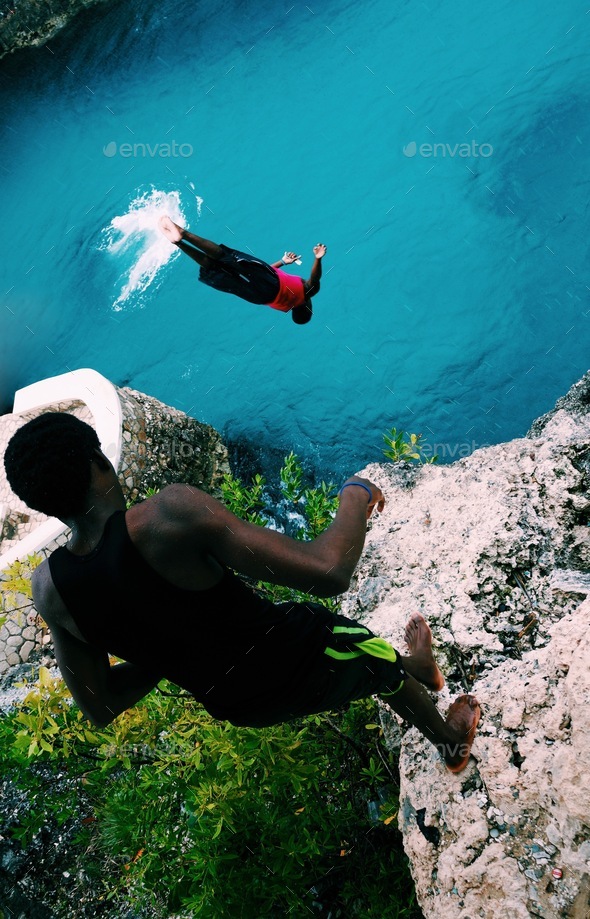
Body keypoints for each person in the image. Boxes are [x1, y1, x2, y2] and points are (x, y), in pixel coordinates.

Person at [3, 413, 480, 773]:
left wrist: (164, 648)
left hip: (243, 704)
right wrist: (355, 493)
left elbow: (100, 705)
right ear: (100, 462)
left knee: (359, 646)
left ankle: (418, 667)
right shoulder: (166, 516)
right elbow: (330, 571)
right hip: (300, 658)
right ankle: (448, 741)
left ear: (41, 504)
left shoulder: (50, 589)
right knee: (368, 657)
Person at [158, 216, 325, 325]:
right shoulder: (283, 306)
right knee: (215, 268)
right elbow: (267, 278)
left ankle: (183, 234)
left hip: (270, 282)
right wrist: (282, 262)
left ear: (309, 306)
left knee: (225, 256)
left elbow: (314, 278)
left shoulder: (306, 292)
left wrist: (318, 258)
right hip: (258, 296)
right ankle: (178, 243)